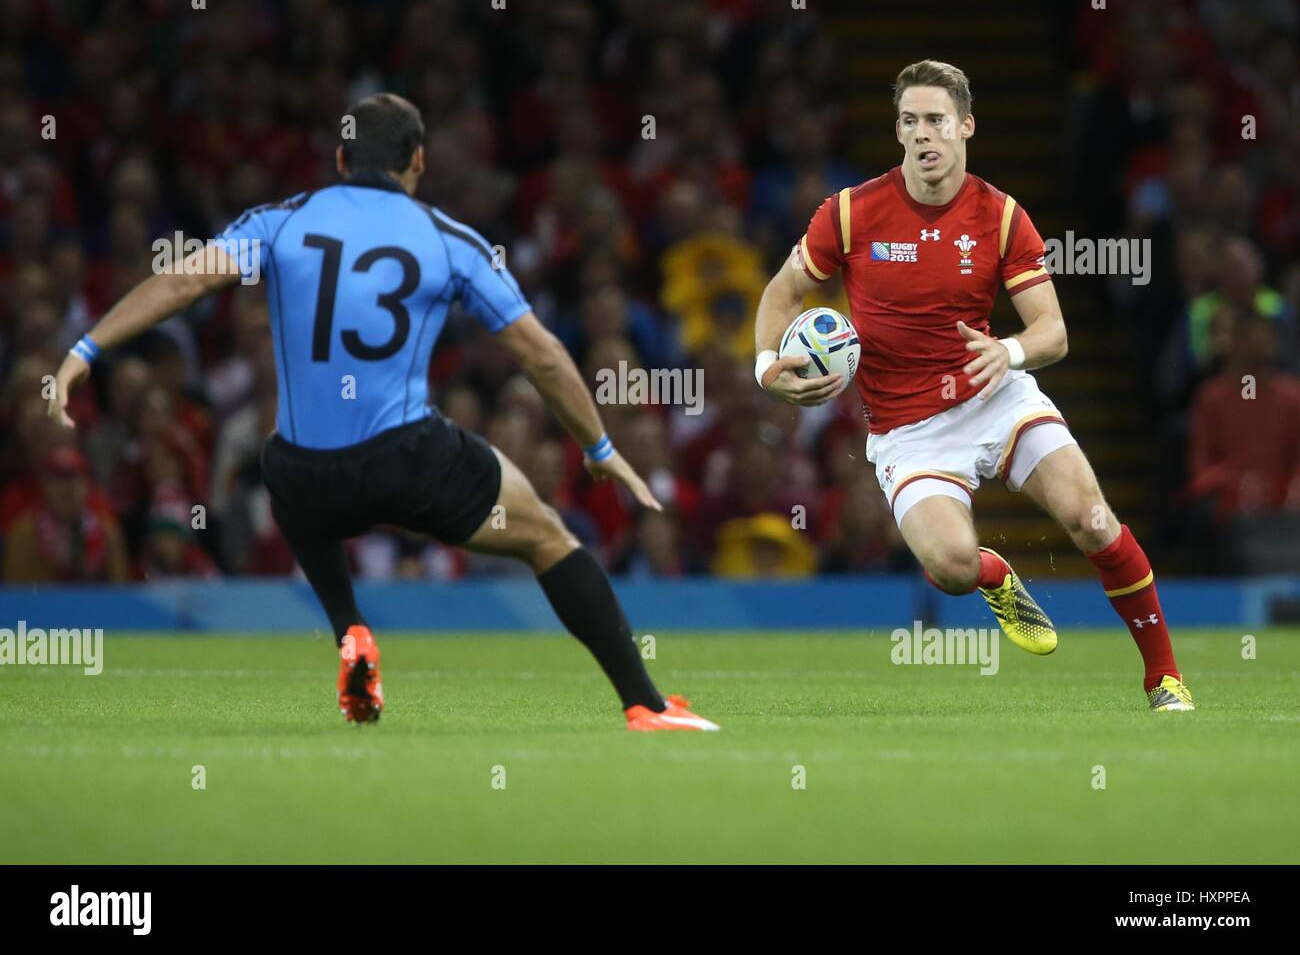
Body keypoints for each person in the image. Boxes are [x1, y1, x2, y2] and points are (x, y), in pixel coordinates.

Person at [48, 92, 717, 732]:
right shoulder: (449, 239)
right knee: (546, 537)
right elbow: (539, 355)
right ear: (417, 161)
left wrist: (84, 349)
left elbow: (185, 279)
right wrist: (599, 448)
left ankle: (350, 630)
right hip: (407, 462)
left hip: (305, 478)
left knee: (279, 459)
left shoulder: (280, 220)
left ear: (341, 159)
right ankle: (645, 704)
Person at [753, 61, 1193, 711]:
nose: (922, 133)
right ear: (897, 131)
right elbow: (784, 291)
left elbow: (1053, 332)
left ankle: (1164, 678)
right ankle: (995, 575)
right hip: (908, 431)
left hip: (995, 396)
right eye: (909, 121)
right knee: (952, 569)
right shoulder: (848, 213)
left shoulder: (1002, 216)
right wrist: (766, 367)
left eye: (936, 119)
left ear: (966, 125)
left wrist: (1008, 352)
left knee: (1092, 518)